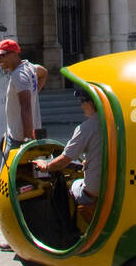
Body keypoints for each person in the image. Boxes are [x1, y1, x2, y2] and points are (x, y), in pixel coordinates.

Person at [33, 89, 103, 223]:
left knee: (70, 187)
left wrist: (45, 166)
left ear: (91, 103)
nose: (81, 106)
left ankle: (67, 226)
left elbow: (63, 161)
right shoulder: (112, 125)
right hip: (113, 187)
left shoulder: (86, 127)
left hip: (95, 191)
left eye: (82, 101)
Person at [0, 39, 48, 153]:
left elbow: (25, 106)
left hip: (19, 138)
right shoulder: (30, 68)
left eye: (2, 55)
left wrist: (28, 139)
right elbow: (44, 72)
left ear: (14, 54)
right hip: (22, 135)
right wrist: (34, 93)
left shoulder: (18, 75)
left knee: (9, 170)